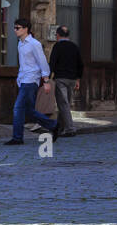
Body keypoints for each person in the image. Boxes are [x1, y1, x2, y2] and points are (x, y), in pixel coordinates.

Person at [7, 18, 59, 146]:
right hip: (23, 80)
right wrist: (19, 78)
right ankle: (53, 125)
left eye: (17, 28)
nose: (15, 30)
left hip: (31, 80)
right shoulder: (20, 43)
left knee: (18, 108)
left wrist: (46, 80)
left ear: (25, 29)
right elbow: (24, 64)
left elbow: (42, 62)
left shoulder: (34, 44)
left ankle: (17, 138)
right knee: (29, 111)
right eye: (14, 28)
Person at [48, 25, 82, 137]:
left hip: (61, 78)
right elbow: (80, 64)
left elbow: (52, 62)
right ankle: (59, 128)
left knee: (63, 104)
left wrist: (47, 78)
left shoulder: (57, 46)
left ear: (57, 35)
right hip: (72, 79)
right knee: (65, 103)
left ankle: (70, 129)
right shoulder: (74, 46)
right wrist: (78, 79)